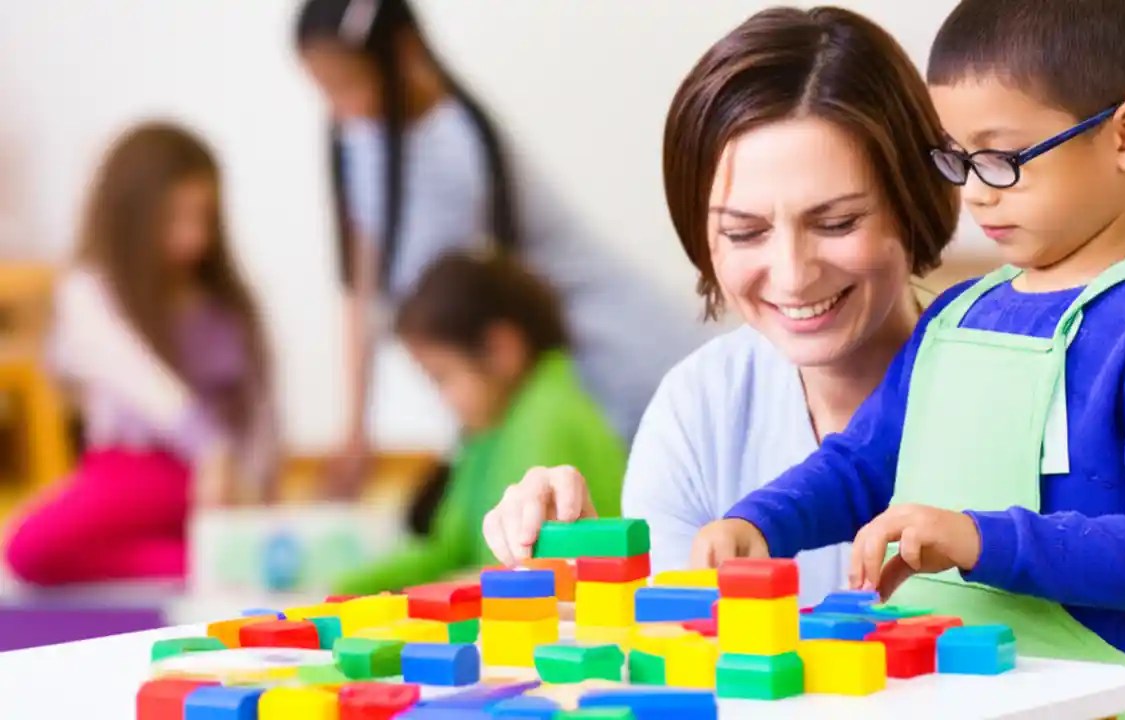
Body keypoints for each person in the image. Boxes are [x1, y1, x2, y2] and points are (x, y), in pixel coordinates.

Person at [694, 1, 1125, 717]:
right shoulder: (955, 314)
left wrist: (977, 537)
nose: (976, 190)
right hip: (937, 683)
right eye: (956, 157)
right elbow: (862, 464)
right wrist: (762, 524)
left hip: (1093, 696)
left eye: (1004, 158)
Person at [481, 6, 959, 605]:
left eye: (837, 222)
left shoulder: (1004, 380)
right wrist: (590, 578)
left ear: (912, 202)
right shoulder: (698, 409)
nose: (792, 274)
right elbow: (681, 657)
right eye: (744, 232)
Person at [293, 0, 705, 495]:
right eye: (325, 91)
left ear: (402, 53)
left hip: (610, 353)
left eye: (348, 85)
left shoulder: (456, 149)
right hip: (545, 364)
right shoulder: (359, 138)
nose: (340, 109)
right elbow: (363, 294)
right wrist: (356, 431)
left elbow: (459, 310)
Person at [4, 123, 279, 586]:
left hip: (216, 488)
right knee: (29, 549)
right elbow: (148, 386)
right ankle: (205, 562)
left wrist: (257, 485)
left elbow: (260, 408)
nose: (194, 239)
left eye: (205, 219)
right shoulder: (90, 293)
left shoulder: (225, 304)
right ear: (132, 217)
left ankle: (214, 555)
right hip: (132, 470)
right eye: (176, 219)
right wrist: (211, 449)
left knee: (30, 548)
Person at [333, 251, 626, 594]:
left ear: (502, 350)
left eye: (442, 377)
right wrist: (343, 589)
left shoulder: (547, 418)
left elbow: (529, 571)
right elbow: (447, 550)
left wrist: (402, 598)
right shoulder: (487, 432)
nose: (443, 399)